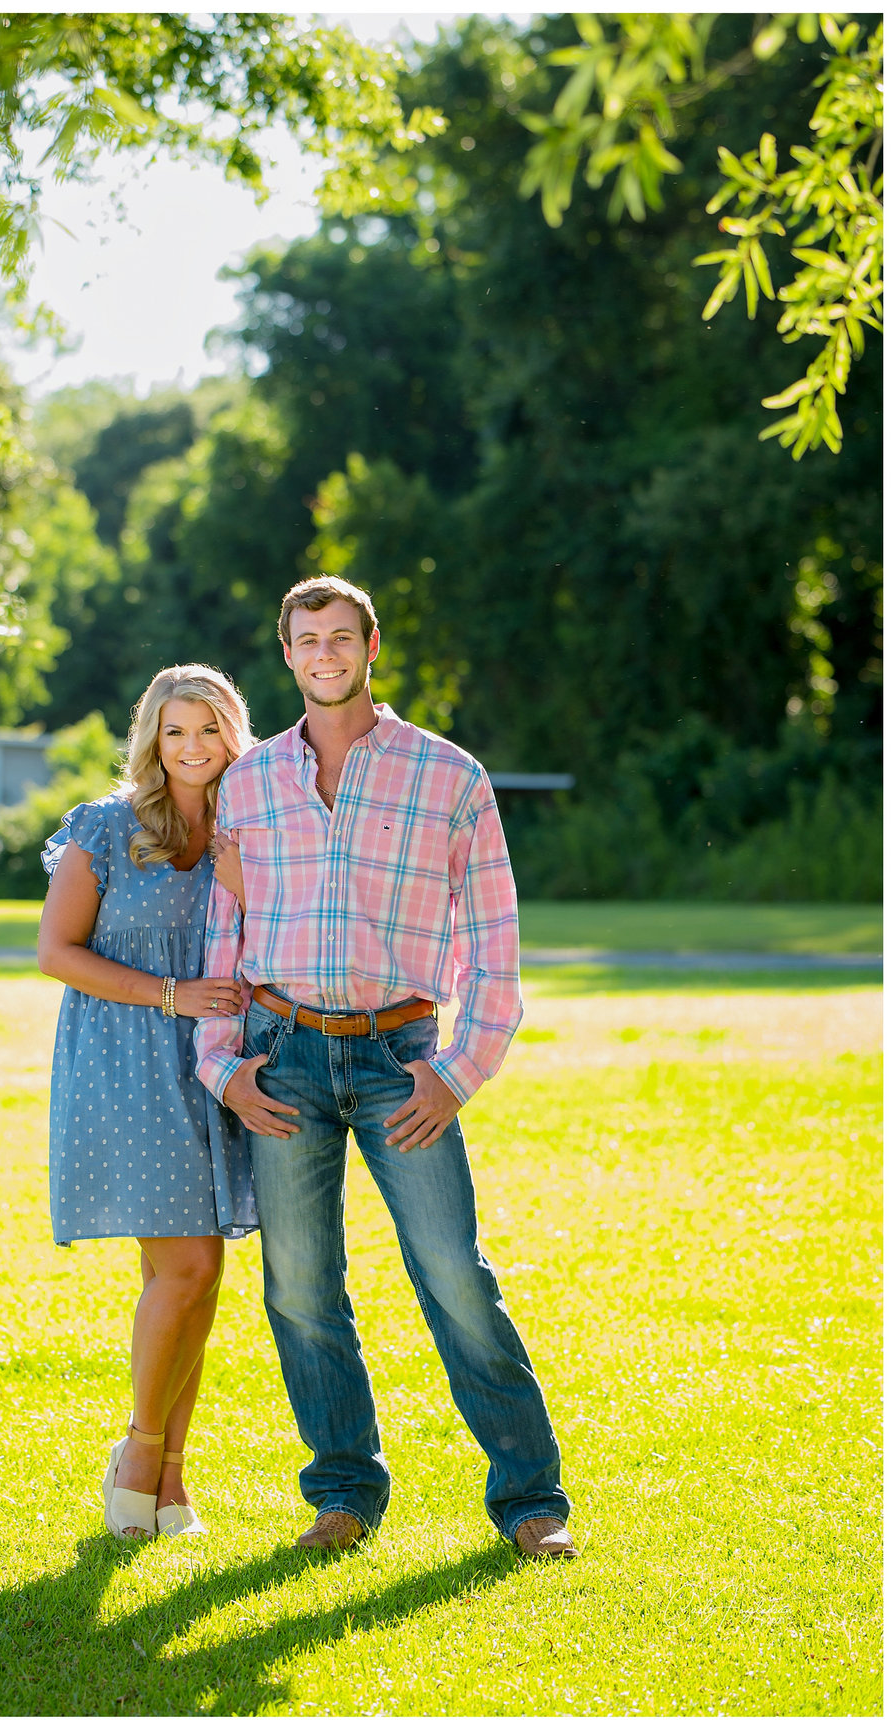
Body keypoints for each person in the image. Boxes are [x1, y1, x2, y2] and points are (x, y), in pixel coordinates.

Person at [196, 576, 577, 1559]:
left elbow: (495, 944)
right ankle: (343, 1493)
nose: (323, 653)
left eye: (339, 636)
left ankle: (532, 1499)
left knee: (452, 1272)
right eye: (304, 638)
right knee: (299, 1286)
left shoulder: (449, 776)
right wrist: (222, 1066)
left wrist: (457, 1070)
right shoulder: (248, 784)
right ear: (285, 654)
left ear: (370, 645)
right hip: (280, 1057)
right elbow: (219, 937)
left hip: (401, 1059)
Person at [38, 664, 257, 1543]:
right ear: (152, 741)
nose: (193, 747)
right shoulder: (107, 826)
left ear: (232, 735)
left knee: (193, 1279)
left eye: (208, 729)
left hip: (222, 1063)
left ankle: (170, 1477)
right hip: (127, 1060)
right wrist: (170, 993)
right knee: (190, 1268)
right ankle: (138, 1452)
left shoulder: (252, 825)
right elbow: (57, 951)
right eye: (175, 732)